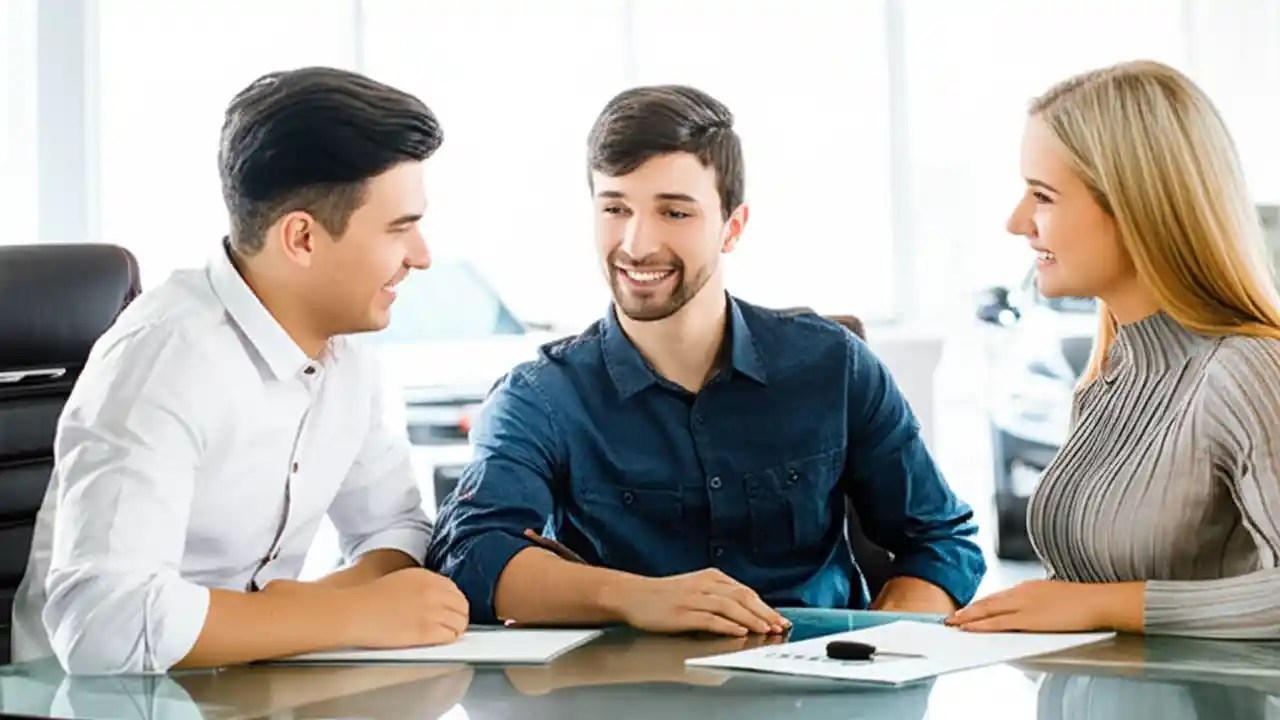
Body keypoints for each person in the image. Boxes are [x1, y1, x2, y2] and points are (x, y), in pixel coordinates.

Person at [427, 85, 985, 635]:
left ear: (731, 228)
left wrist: (877, 646)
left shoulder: (834, 365)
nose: (637, 243)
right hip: (629, 684)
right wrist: (636, 598)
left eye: (674, 212)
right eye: (615, 208)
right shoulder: (541, 397)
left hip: (818, 677)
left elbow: (941, 541)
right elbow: (470, 555)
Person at [12, 67, 468, 674]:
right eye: (399, 229)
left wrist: (311, 612)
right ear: (301, 238)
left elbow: (399, 530)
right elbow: (105, 627)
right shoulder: (164, 359)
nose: (422, 256)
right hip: (100, 702)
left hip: (248, 690)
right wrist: (349, 615)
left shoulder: (346, 357)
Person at [948, 60, 1280, 639]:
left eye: (1042, 196)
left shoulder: (1246, 370)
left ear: (1137, 205)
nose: (1017, 222)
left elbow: (1094, 605)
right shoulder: (1109, 375)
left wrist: (1104, 605)